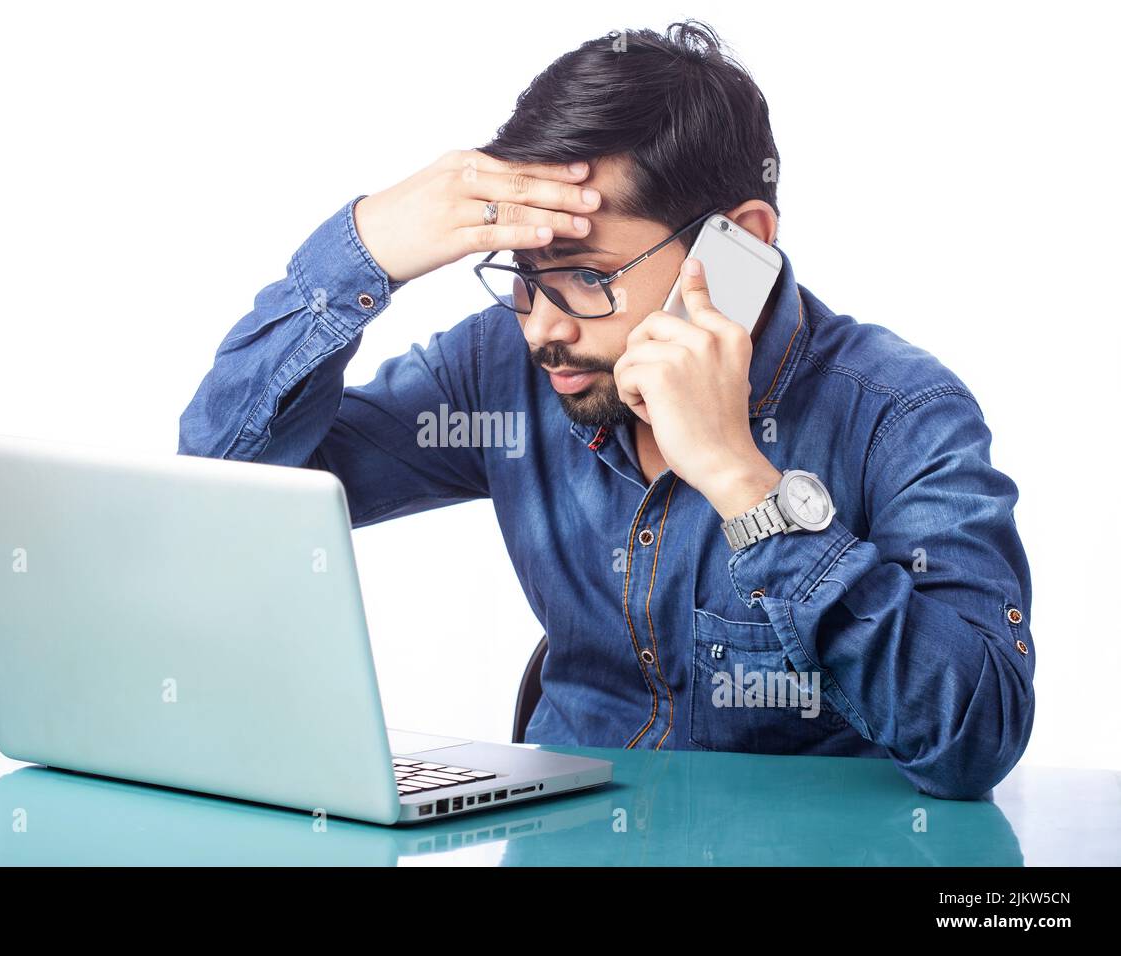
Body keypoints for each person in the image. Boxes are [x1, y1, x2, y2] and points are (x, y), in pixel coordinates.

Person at [179, 20, 1034, 799]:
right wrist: (359, 255)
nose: (542, 329)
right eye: (520, 271)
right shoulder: (499, 364)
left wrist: (746, 484)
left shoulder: (900, 412)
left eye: (589, 276)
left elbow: (975, 737)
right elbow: (225, 487)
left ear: (743, 243)